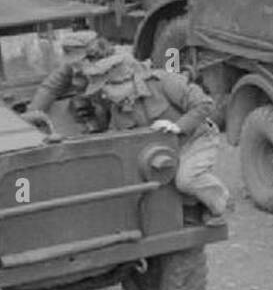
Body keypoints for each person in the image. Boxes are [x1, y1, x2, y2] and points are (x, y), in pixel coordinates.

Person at [23, 41, 229, 222]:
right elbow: (115, 139)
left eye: (106, 89)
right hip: (163, 152)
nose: (104, 96)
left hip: (196, 139)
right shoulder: (118, 109)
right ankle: (191, 205)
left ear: (121, 82)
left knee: (186, 180)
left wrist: (178, 126)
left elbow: (205, 105)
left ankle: (220, 206)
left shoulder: (164, 82)